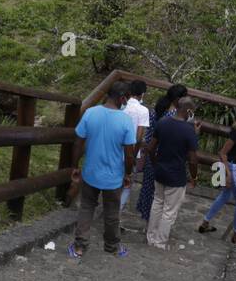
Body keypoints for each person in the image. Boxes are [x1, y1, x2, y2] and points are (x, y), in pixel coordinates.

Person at [69, 81, 137, 259]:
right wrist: (128, 174)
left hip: (90, 172)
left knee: (86, 207)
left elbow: (78, 142)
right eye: (126, 99)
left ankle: (79, 247)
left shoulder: (90, 113)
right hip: (113, 177)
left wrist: (75, 166)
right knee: (112, 212)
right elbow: (129, 154)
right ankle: (112, 247)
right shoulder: (125, 120)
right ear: (121, 98)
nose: (126, 102)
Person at [146, 97, 199, 249]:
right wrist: (194, 176)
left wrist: (155, 164)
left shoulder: (163, 122)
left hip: (160, 171)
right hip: (176, 175)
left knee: (157, 204)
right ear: (188, 111)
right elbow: (193, 159)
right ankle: (160, 242)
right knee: (169, 211)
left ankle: (151, 237)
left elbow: (150, 148)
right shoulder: (189, 130)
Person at [197, 109, 236, 246]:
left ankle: (205, 222)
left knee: (224, 195)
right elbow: (222, 153)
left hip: (231, 166)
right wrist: (228, 174)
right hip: (232, 168)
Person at [137, 84, 187, 221]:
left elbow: (149, 135)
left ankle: (147, 220)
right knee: (163, 195)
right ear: (178, 99)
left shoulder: (157, 110)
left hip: (151, 154)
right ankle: (156, 224)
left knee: (149, 189)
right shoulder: (176, 116)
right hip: (166, 158)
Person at [120, 80, 151, 212]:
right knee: (127, 183)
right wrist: (133, 157)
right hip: (131, 151)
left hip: (115, 149)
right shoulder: (143, 110)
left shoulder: (121, 106)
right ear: (142, 93)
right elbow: (138, 137)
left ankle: (109, 208)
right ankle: (117, 212)